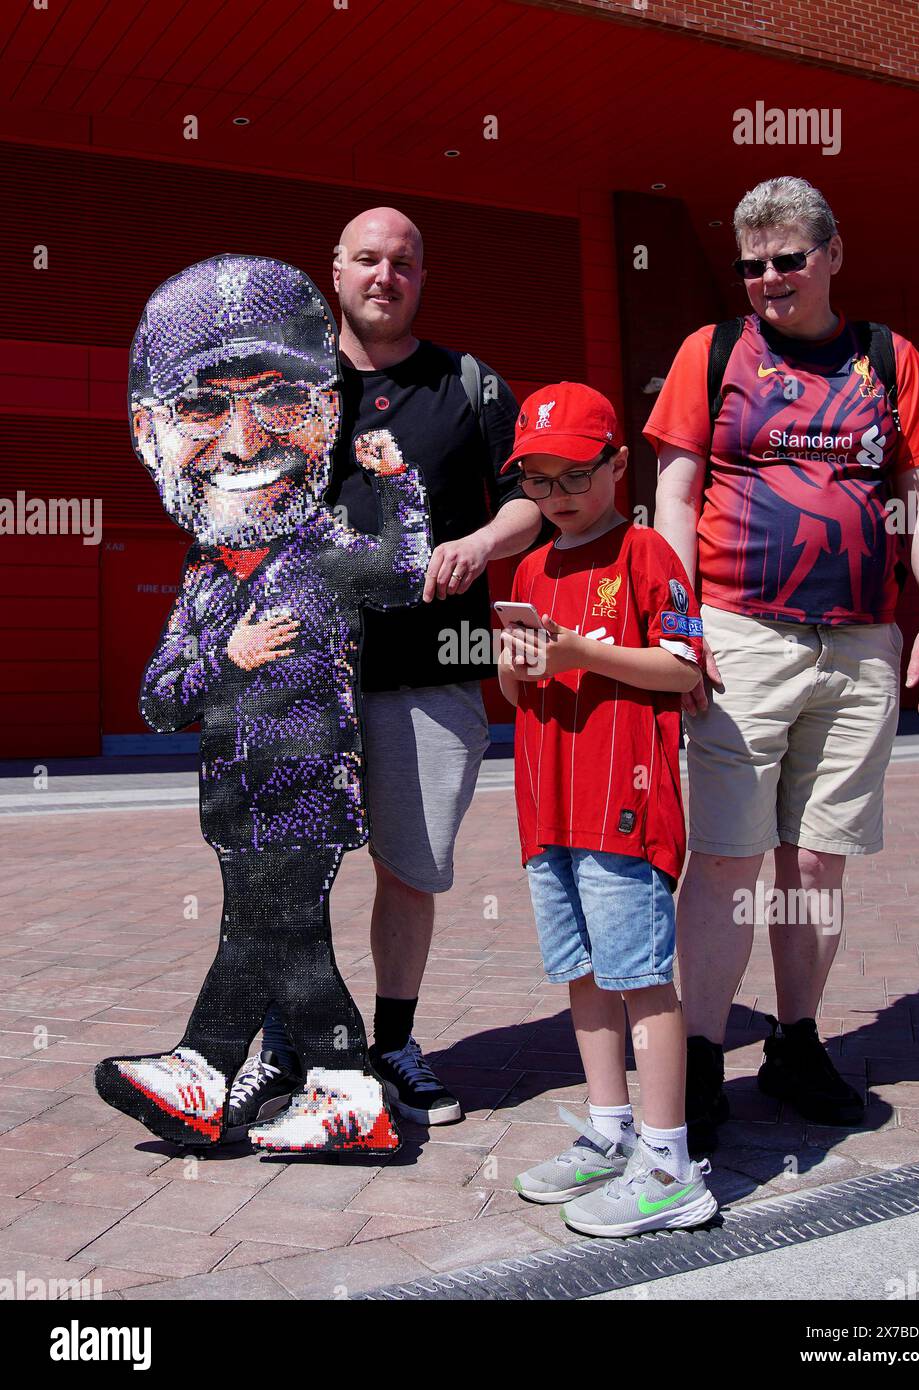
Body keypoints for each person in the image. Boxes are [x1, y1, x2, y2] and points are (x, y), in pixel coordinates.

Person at [647, 176, 919, 1152]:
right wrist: (677, 627)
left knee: (815, 858)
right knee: (729, 857)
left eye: (787, 257)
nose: (769, 278)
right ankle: (699, 1060)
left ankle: (793, 1040)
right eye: (751, 264)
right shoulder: (710, 355)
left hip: (861, 642)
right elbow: (672, 493)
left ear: (831, 254)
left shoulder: (888, 358)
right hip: (740, 637)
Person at [96, 254, 431, 1154]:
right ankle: (234, 1081)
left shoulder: (325, 551)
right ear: (147, 432)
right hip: (233, 801)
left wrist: (399, 486)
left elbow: (404, 573)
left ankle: (306, 1083)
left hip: (308, 792)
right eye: (203, 407)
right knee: (268, 934)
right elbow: (159, 699)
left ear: (326, 414)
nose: (244, 442)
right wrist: (222, 658)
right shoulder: (201, 585)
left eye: (277, 398)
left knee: (278, 930)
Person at [228, 208, 543, 1134]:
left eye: (401, 263)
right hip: (305, 670)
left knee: (411, 869)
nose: (383, 276)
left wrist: (483, 540)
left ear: (420, 276)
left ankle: (395, 1043)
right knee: (297, 866)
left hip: (437, 666)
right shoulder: (284, 381)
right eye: (366, 260)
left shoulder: (469, 386)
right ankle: (290, 1047)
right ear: (335, 269)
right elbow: (235, 509)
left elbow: (528, 498)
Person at [497, 382, 718, 1237]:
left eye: (573, 475)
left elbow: (683, 670)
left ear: (618, 465)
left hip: (621, 807)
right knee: (582, 973)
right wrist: (518, 663)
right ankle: (608, 1130)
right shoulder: (526, 567)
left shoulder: (647, 553)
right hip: (547, 806)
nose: (555, 496)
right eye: (537, 481)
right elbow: (519, 691)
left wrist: (582, 649)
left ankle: (668, 1165)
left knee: (638, 979)